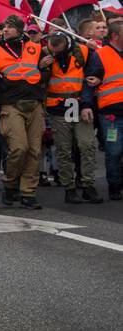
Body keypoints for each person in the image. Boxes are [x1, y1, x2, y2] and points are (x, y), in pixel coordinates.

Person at [0, 14, 50, 210]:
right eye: (4, 27)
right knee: (19, 148)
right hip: (11, 105)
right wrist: (7, 85)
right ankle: (10, 183)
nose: (5, 30)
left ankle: (28, 192)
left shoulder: (36, 48)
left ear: (20, 30)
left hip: (35, 104)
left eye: (10, 27)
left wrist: (43, 70)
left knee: (34, 150)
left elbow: (45, 73)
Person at [44, 30, 103, 204]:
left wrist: (86, 104)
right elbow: (37, 78)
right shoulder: (45, 54)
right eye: (51, 49)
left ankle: (87, 186)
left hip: (79, 105)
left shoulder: (84, 51)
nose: (54, 52)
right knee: (64, 150)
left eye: (58, 49)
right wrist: (41, 66)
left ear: (66, 44)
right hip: (57, 108)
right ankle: (69, 188)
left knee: (87, 145)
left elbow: (94, 76)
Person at [97, 18, 123, 200]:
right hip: (111, 114)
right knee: (114, 151)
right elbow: (91, 79)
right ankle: (114, 186)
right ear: (115, 36)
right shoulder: (100, 54)